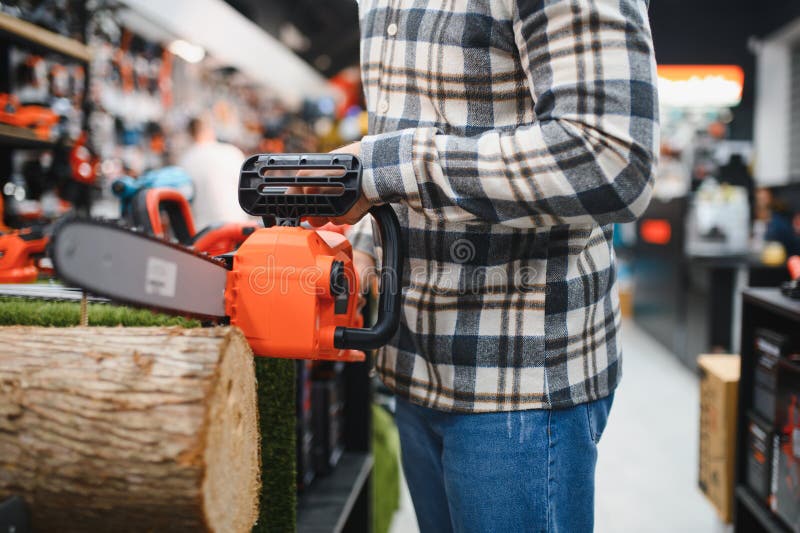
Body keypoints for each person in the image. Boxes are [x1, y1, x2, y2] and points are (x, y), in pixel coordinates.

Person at [310, 1, 659, 530]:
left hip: (519, 381)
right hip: (412, 361)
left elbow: (611, 158)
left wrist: (383, 169)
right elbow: (413, 120)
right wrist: (357, 241)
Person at [178, 115, 252, 229]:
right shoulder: (231, 152)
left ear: (190, 135)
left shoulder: (185, 160)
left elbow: (184, 199)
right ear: (210, 130)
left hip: (205, 232)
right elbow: (249, 190)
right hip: (237, 226)